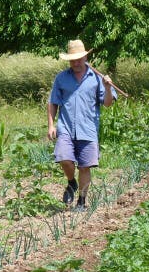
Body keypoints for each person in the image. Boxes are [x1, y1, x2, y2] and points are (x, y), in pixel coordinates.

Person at [47, 39, 117, 211]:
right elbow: (53, 102)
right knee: (64, 158)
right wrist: (51, 125)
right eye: (73, 59)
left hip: (88, 129)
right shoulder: (61, 78)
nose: (76, 63)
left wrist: (107, 88)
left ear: (86, 57)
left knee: (85, 166)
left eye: (79, 59)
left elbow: (107, 103)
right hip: (66, 127)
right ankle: (71, 182)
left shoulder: (97, 79)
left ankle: (81, 202)